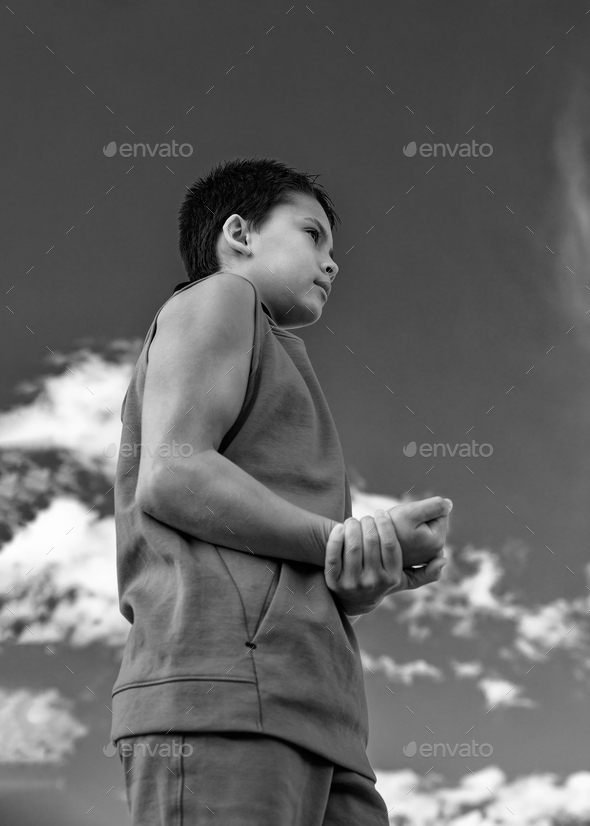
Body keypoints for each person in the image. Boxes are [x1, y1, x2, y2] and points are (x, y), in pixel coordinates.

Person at [111, 157, 452, 825]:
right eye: (311, 234)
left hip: (325, 722)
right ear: (238, 233)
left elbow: (307, 566)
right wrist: (340, 539)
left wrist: (367, 568)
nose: (332, 262)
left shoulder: (283, 367)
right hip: (224, 699)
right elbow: (175, 473)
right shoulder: (221, 295)